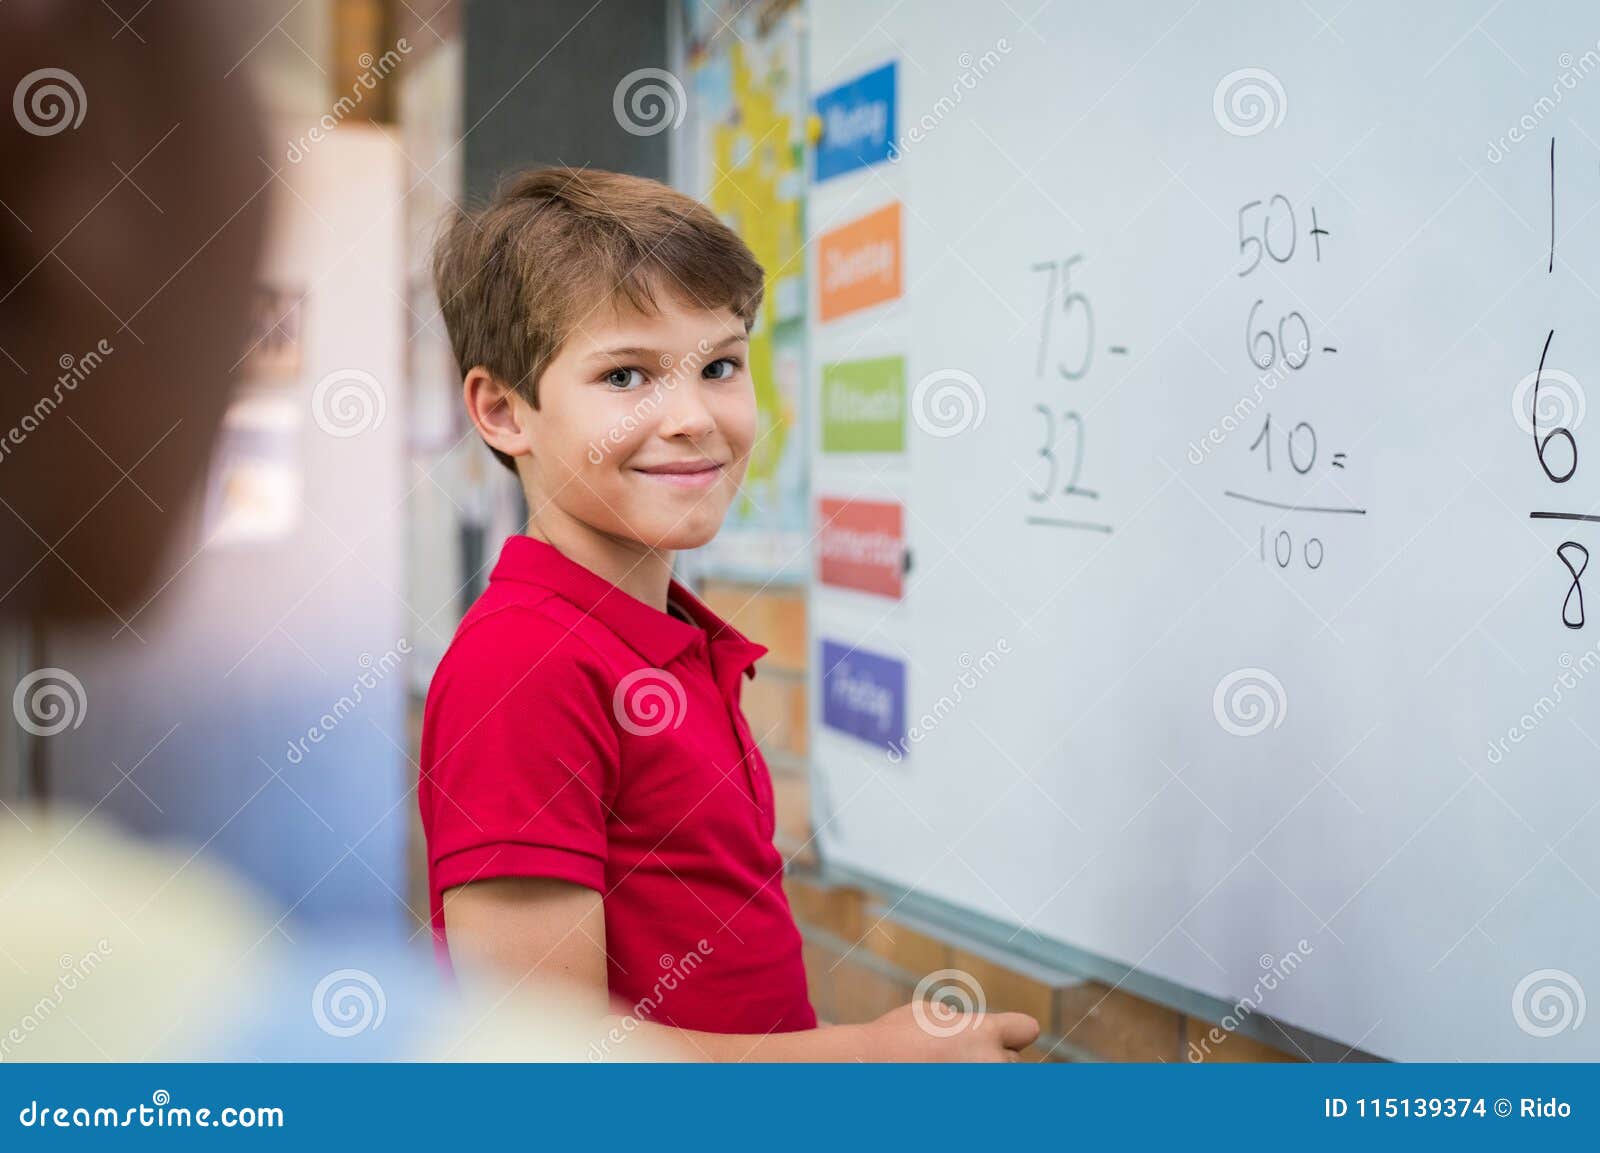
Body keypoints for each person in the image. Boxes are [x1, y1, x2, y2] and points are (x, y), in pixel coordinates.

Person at [421, 167, 1040, 1060]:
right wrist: (873, 1059)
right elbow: (543, 1069)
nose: (693, 417)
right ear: (504, 410)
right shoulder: (523, 666)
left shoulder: (669, 640)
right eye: (626, 374)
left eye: (718, 365)